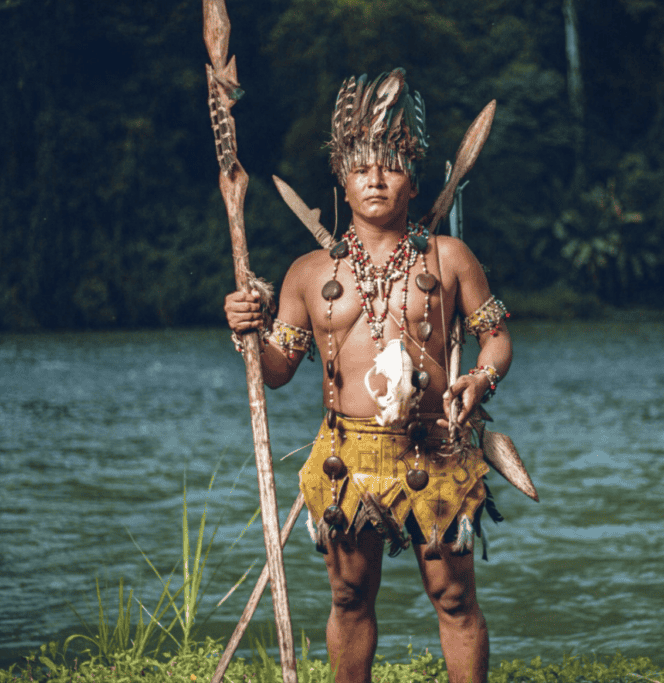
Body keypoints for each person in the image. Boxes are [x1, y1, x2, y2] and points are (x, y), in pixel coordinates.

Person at [224, 68, 512, 683]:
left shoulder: (449, 258)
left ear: (414, 181)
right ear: (342, 181)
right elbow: (277, 372)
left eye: (390, 167)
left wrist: (479, 380)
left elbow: (496, 336)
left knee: (454, 597)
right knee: (349, 596)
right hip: (345, 456)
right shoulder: (308, 273)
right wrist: (250, 327)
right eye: (360, 169)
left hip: (436, 447)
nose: (375, 179)